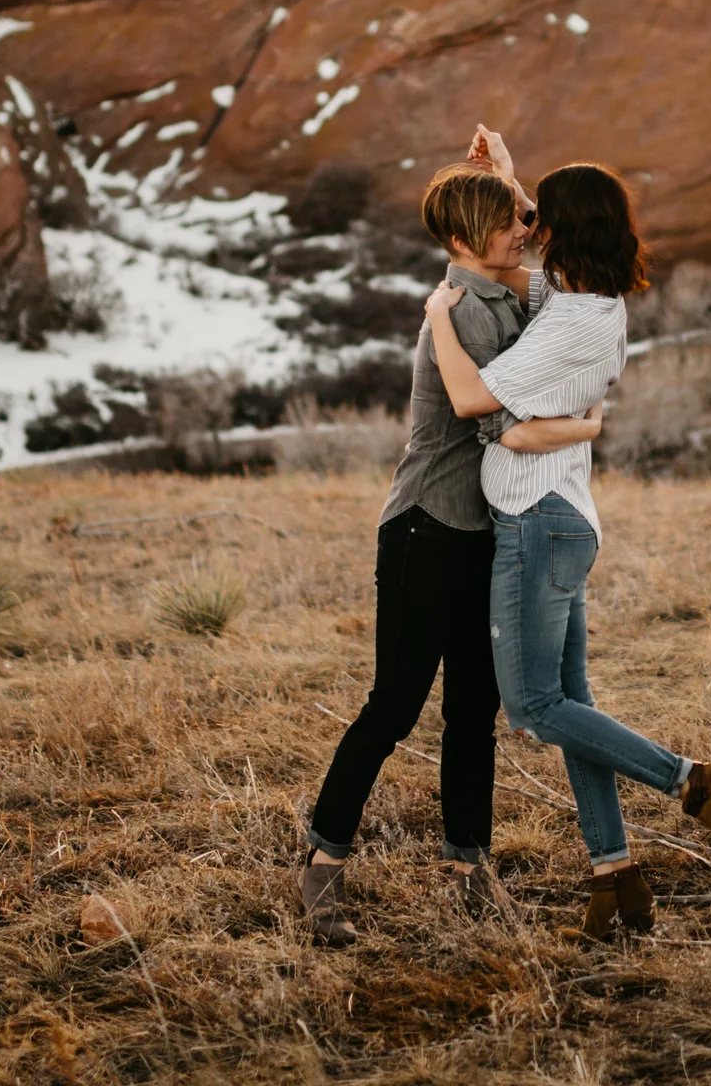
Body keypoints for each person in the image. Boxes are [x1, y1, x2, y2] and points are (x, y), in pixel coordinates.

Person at [423, 129, 711, 942]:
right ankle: (614, 879)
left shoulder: (571, 321)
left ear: (567, 232)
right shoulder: (582, 300)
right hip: (559, 518)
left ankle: (693, 781)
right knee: (572, 706)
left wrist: (438, 314)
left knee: (534, 706)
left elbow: (469, 400)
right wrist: (505, 177)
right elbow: (534, 263)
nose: (526, 229)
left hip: (536, 523)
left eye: (540, 221)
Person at [297, 158, 603, 945]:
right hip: (427, 529)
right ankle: (322, 860)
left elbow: (540, 253)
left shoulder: (509, 292)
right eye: (512, 220)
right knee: (394, 706)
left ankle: (469, 871)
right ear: (469, 236)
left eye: (527, 218)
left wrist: (503, 175)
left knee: (475, 713)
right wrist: (590, 425)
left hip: (487, 533)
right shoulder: (465, 309)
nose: (528, 229)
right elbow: (494, 421)